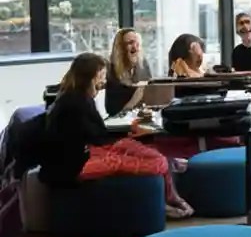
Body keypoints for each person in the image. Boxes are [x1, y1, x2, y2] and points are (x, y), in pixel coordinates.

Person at [40, 53, 192, 218]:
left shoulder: (74, 97)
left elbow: (96, 135)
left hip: (84, 154)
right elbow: (97, 138)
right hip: (75, 166)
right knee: (158, 163)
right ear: (91, 77)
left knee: (153, 155)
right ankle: (163, 205)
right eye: (101, 77)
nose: (103, 82)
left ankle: (169, 200)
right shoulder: (76, 102)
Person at [105, 28, 154, 116]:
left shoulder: (143, 64)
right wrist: (134, 99)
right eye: (130, 43)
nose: (135, 46)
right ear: (120, 48)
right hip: (119, 121)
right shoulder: (111, 69)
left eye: (136, 42)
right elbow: (112, 109)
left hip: (142, 118)